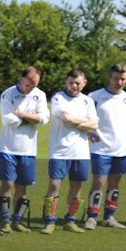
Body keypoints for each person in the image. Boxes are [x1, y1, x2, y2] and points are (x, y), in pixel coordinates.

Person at [86, 64, 126, 229]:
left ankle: (109, 217)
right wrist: (90, 132)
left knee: (115, 185)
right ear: (110, 77)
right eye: (116, 78)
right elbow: (85, 117)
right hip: (100, 149)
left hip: (122, 150)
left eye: (123, 79)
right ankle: (92, 217)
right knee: (99, 183)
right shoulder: (94, 96)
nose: (119, 82)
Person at [42, 69, 98, 234]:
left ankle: (70, 220)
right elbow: (66, 119)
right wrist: (84, 123)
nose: (74, 86)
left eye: (77, 83)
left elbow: (94, 125)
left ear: (84, 83)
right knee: (54, 184)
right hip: (59, 150)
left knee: (77, 186)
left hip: (80, 151)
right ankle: (50, 221)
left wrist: (76, 122)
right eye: (71, 83)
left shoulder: (87, 101)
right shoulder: (59, 98)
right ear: (66, 82)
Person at [0, 66, 49, 233]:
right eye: (28, 85)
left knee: (22, 186)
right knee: (8, 183)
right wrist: (31, 117)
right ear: (20, 78)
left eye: (34, 85)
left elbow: (44, 118)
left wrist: (21, 114)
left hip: (28, 149)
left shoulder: (39, 95)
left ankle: (17, 221)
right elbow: (8, 121)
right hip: (7, 147)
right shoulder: (8, 94)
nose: (31, 88)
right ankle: (4, 220)